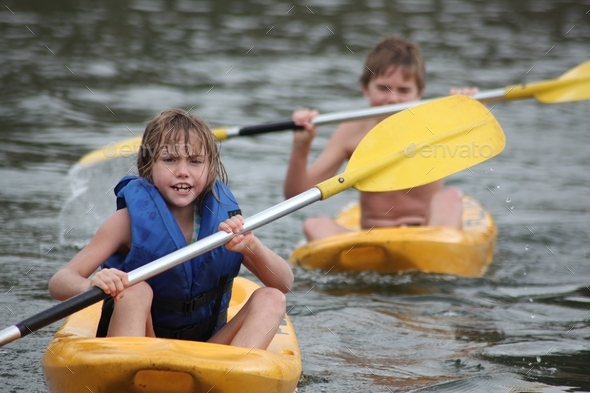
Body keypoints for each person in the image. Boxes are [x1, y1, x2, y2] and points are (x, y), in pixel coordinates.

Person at [49, 109, 294, 350]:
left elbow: (283, 283)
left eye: (195, 161)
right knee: (135, 290)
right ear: (148, 166)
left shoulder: (225, 219)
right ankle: (128, 377)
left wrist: (252, 245)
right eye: (169, 160)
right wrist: (91, 285)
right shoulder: (125, 222)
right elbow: (60, 282)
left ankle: (234, 379)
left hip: (211, 353)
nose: (183, 171)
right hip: (143, 345)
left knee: (272, 299)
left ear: (210, 169)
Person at [284, 36, 475, 242]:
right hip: (372, 238)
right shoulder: (351, 131)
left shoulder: (438, 125)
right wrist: (301, 146)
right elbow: (297, 196)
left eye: (404, 90)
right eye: (384, 88)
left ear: (420, 94)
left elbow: (472, 140)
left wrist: (467, 111)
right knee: (314, 225)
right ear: (366, 88)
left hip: (427, 233)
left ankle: (441, 252)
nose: (392, 99)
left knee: (451, 195)